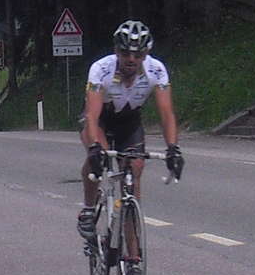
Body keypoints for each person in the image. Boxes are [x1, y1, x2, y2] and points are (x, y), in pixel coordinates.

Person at [78, 20, 184, 240]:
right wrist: (95, 147)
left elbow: (167, 114)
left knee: (134, 172)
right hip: (100, 119)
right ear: (116, 51)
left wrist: (173, 148)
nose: (131, 59)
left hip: (129, 121)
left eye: (138, 54)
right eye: (125, 53)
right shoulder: (100, 69)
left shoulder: (157, 70)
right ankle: (89, 209)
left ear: (146, 54)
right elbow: (92, 115)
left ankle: (133, 261)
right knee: (99, 156)